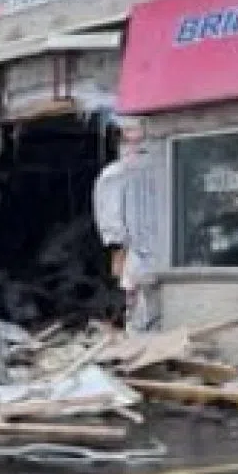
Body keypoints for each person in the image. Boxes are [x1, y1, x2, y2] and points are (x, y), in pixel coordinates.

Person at [93, 117, 159, 333]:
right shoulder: (160, 165)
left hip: (140, 252)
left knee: (140, 305)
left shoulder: (114, 174)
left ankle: (142, 343)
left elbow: (110, 220)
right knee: (146, 303)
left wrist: (117, 248)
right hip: (153, 252)